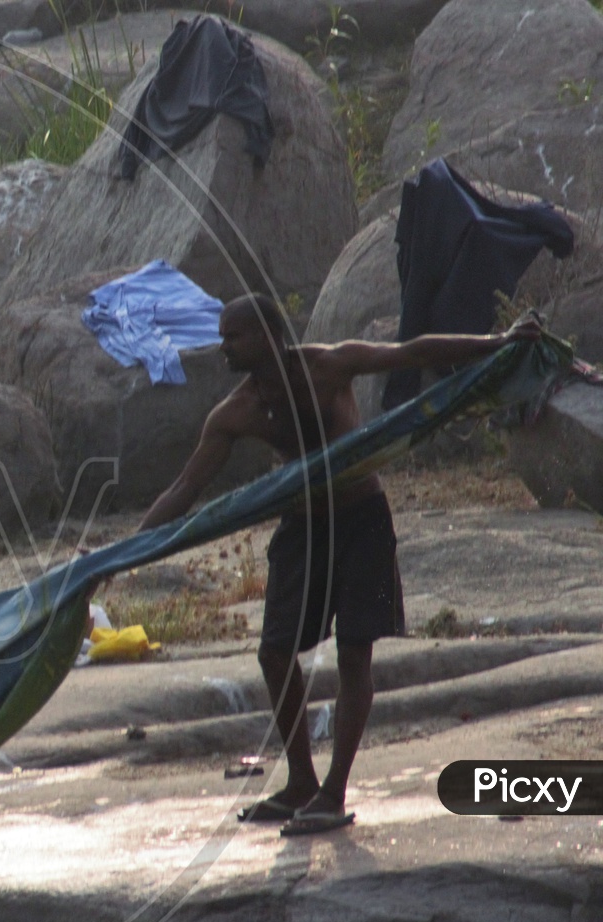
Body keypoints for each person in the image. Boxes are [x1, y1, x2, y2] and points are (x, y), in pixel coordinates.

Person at [137, 294, 539, 836]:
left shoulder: (330, 364)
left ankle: (334, 791)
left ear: (267, 334)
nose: (223, 347)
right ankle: (301, 781)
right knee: (275, 654)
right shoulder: (237, 411)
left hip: (361, 520)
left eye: (234, 336)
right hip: (302, 530)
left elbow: (413, 352)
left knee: (354, 653)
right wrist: (128, 551)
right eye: (223, 335)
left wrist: (497, 344)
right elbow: (187, 486)